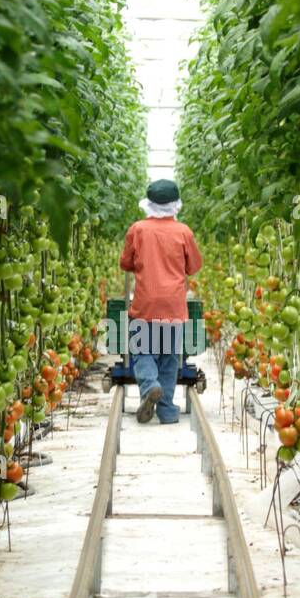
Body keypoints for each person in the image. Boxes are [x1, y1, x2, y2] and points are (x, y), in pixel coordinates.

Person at [119, 179, 203, 424]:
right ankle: (166, 410)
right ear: (175, 204)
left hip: (145, 305)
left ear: (149, 204)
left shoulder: (138, 229)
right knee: (169, 358)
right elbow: (194, 266)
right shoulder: (184, 232)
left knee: (142, 352)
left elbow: (126, 263)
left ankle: (150, 387)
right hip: (174, 307)